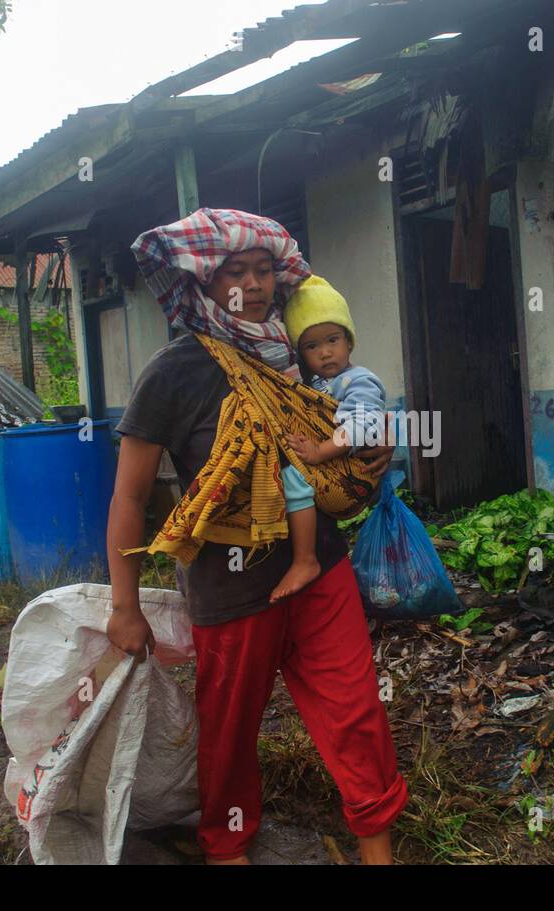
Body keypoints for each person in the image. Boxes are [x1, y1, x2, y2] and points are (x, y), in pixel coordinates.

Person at [107, 208, 407, 865]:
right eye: (235, 270)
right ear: (205, 281)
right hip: (229, 585)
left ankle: (377, 843)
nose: (254, 283)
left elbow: (353, 418)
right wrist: (124, 606)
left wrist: (375, 450)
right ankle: (227, 846)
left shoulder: (297, 356)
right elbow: (130, 497)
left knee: (355, 708)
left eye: (264, 268)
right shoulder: (173, 372)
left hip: (319, 567)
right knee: (230, 729)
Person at [271, 275, 387, 603]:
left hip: (343, 464)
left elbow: (364, 424)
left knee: (294, 478)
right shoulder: (318, 382)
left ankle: (305, 559)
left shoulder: (358, 380)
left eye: (332, 340)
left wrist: (321, 451)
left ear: (349, 342)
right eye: (311, 346)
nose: (324, 353)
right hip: (332, 462)